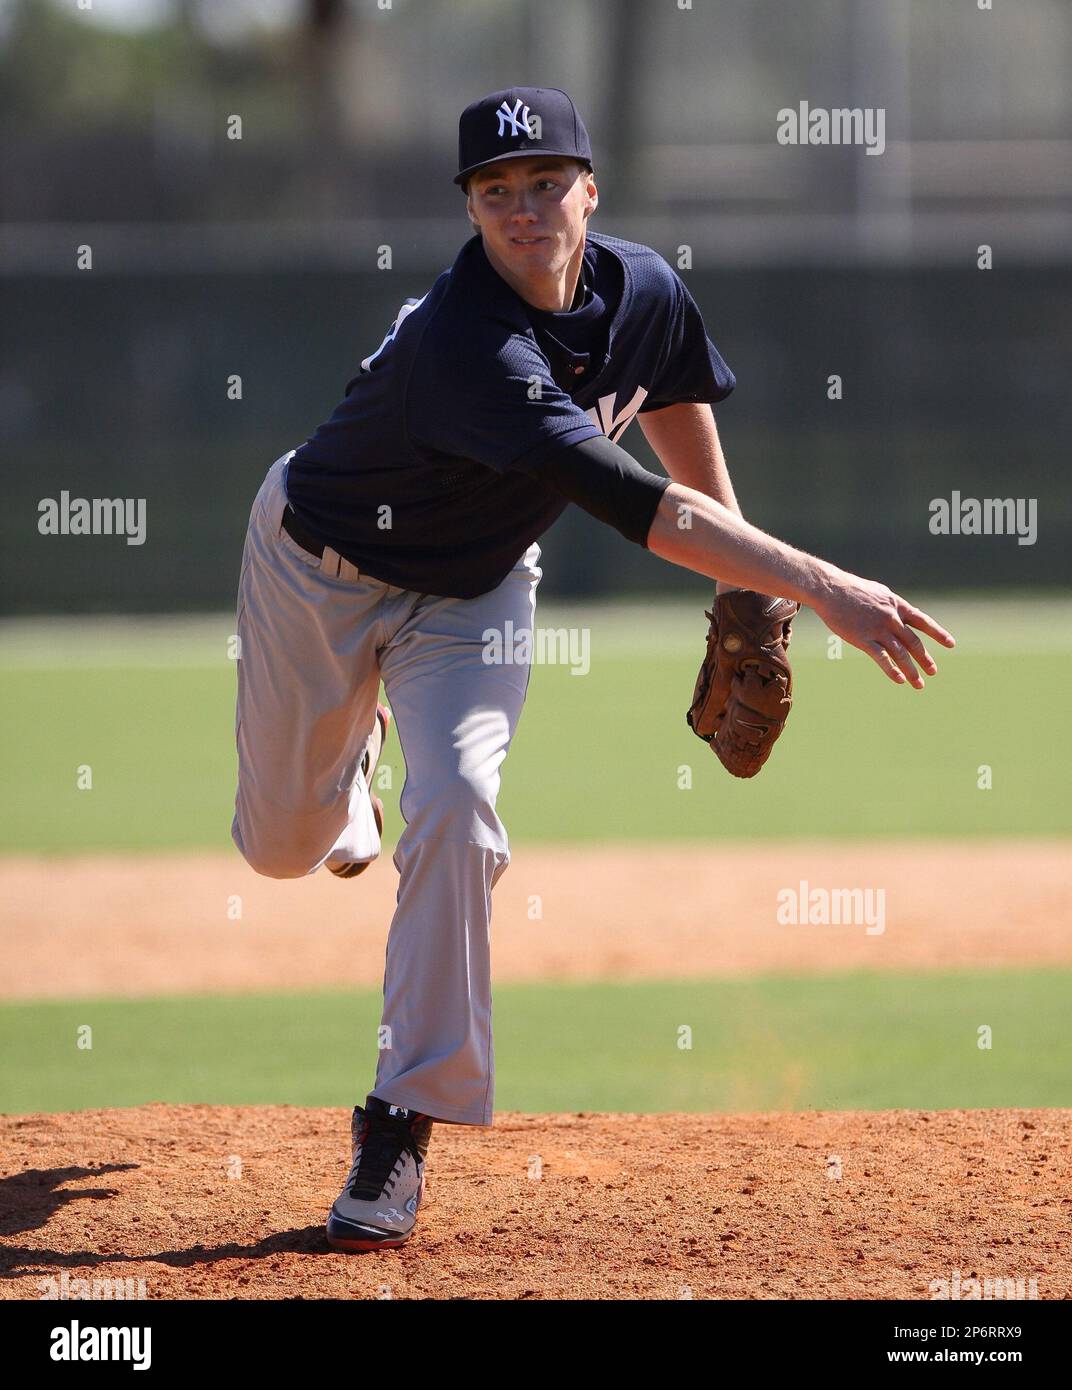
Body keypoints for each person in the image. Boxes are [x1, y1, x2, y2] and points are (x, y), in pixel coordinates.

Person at [230, 87, 954, 1252]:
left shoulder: (643, 290)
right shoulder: (469, 345)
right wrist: (823, 583)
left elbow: (672, 402)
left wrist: (746, 586)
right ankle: (347, 759)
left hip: (470, 594)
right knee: (277, 848)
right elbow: (639, 506)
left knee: (460, 809)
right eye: (495, 191)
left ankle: (400, 1121)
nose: (524, 209)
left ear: (590, 188)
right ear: (470, 209)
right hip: (318, 568)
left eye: (545, 181)